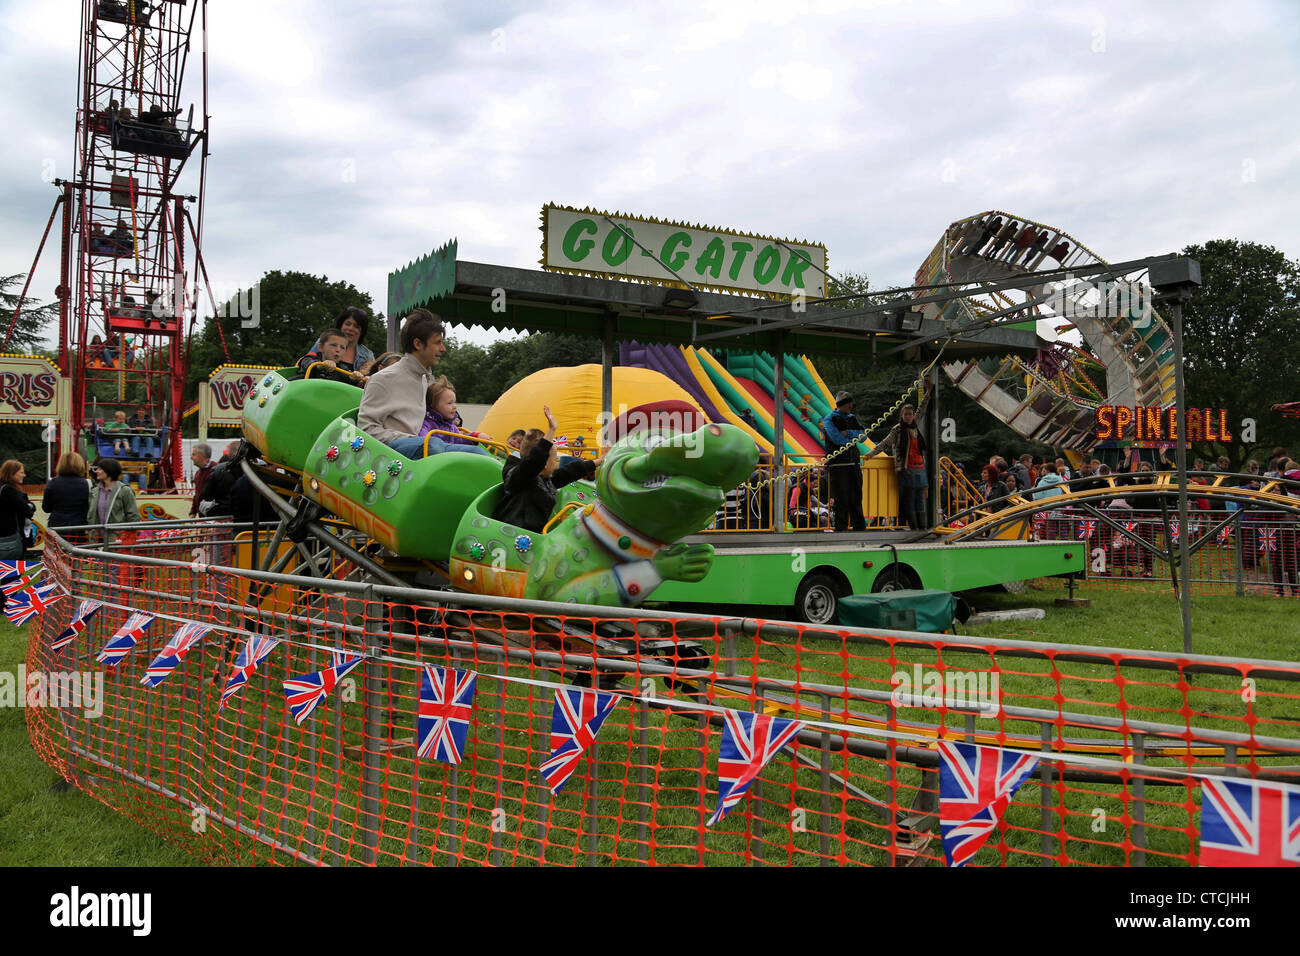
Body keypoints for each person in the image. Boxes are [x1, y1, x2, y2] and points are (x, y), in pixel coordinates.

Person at [357, 309, 488, 459]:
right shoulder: (383, 379)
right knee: (432, 445)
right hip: (393, 454)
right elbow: (366, 430)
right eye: (438, 343)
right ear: (418, 344)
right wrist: (410, 439)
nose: (443, 349)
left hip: (423, 445)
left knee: (479, 454)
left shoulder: (425, 379)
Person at [492, 406, 596, 535]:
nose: (556, 464)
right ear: (544, 464)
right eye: (555, 460)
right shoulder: (519, 477)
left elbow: (568, 473)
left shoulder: (545, 481)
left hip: (531, 535)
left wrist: (598, 461)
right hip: (511, 533)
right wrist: (551, 430)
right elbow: (533, 463)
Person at [864, 381, 935, 532]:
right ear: (902, 416)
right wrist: (872, 453)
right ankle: (915, 528)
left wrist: (928, 392)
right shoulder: (897, 429)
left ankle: (922, 528)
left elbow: (922, 409)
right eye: (906, 414)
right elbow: (885, 443)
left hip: (919, 466)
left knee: (920, 498)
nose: (908, 416)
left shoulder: (915, 426)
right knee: (910, 498)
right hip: (906, 467)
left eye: (910, 414)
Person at [822, 390, 868, 532]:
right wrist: (853, 436)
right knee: (841, 498)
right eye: (848, 403)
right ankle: (841, 528)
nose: (851, 406)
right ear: (841, 404)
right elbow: (837, 439)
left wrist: (848, 433)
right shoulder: (829, 419)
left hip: (854, 463)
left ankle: (859, 527)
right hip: (838, 464)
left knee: (856, 496)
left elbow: (863, 436)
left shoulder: (852, 418)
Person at [419, 376, 489, 448]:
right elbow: (423, 441)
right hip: (438, 454)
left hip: (450, 453)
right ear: (433, 404)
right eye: (449, 403)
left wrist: (476, 436)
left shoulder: (452, 427)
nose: (454, 406)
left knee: (476, 450)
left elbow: (460, 440)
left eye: (454, 402)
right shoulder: (425, 424)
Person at [43, 451, 92, 543]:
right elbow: (88, 508)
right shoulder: (86, 483)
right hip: (78, 527)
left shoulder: (52, 483)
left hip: (56, 526)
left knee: (57, 550)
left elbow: (46, 508)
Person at [308, 306, 375, 373]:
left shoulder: (368, 355)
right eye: (347, 324)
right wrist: (320, 365)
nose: (351, 328)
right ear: (340, 325)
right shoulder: (325, 341)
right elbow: (306, 362)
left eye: (356, 327)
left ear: (362, 331)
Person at [86, 457, 139, 541]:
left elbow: (133, 516)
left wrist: (130, 537)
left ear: (109, 471)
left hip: (117, 541)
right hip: (96, 540)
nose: (96, 471)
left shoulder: (125, 491)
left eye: (100, 469)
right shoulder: (94, 492)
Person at [298, 328, 364, 386]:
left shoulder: (342, 368)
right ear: (321, 347)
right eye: (333, 345)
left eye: (342, 348)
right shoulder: (310, 358)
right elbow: (307, 364)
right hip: (306, 391)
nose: (338, 350)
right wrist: (321, 365)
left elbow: (348, 377)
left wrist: (355, 377)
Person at [0, 461, 35, 559]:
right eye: (21, 472)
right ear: (11, 473)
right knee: (12, 567)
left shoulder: (4, 488)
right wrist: (30, 506)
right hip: (10, 539)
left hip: (5, 537)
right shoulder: (8, 490)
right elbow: (26, 510)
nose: (24, 475)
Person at [190, 442, 214, 516]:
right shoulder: (198, 473)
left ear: (202, 456)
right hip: (204, 515)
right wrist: (193, 512)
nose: (191, 457)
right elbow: (197, 494)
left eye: (193, 454)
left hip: (212, 515)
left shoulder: (215, 471)